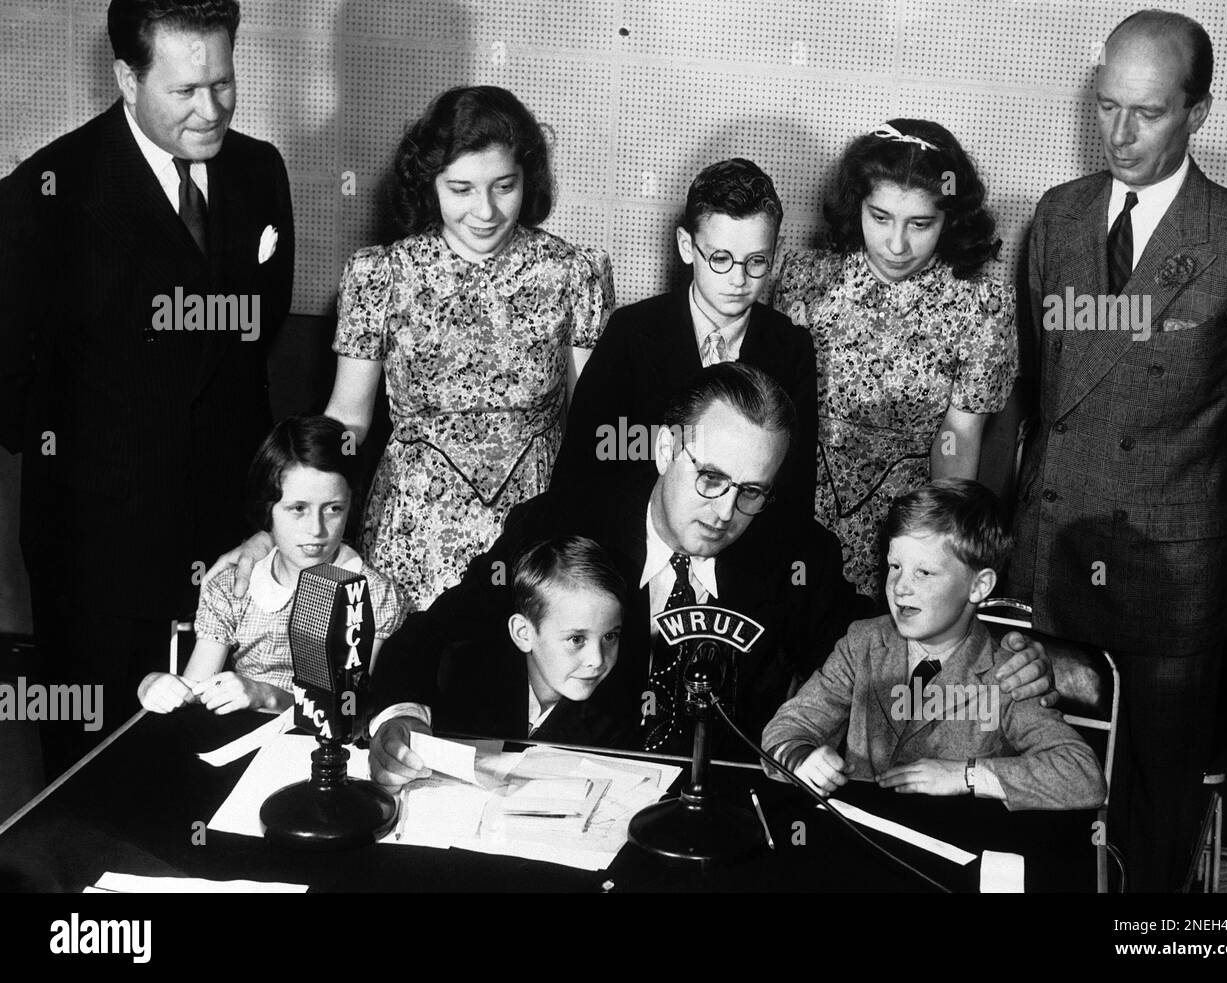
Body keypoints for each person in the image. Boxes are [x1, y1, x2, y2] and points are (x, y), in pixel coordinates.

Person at [366, 363, 1055, 785]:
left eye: (753, 490)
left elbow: (875, 647)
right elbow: (432, 634)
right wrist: (397, 716)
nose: (727, 511)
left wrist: (999, 660)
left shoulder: (793, 554)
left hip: (723, 817)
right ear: (667, 446)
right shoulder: (557, 526)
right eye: (711, 477)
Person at [1006, 10, 1227, 889]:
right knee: (1035, 785)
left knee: (1149, 811)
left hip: (1168, 582)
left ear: (1198, 113)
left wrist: (1194, 524)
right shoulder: (1057, 220)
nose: (1121, 135)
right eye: (1106, 108)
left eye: (1149, 113)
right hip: (1052, 561)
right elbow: (1040, 391)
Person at [0, 0, 294, 774]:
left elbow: (252, 348)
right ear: (126, 78)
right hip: (99, 555)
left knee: (229, 767)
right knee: (103, 774)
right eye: (185, 91)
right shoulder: (44, 196)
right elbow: (7, 387)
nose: (211, 110)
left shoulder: (261, 172)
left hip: (235, 539)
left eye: (224, 84)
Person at [319, 85, 614, 610]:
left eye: (505, 186)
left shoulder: (573, 273)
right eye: (461, 189)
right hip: (413, 532)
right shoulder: (381, 274)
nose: (485, 211)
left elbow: (589, 419)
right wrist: (308, 494)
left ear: (529, 179)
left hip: (533, 533)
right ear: (429, 185)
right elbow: (349, 418)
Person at [772, 120, 1016, 598]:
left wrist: (934, 554)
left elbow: (958, 437)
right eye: (879, 217)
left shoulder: (981, 307)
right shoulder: (802, 278)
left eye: (920, 224)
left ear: (951, 220)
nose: (896, 244)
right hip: (791, 514)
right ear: (856, 205)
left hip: (902, 533)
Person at [763, 480, 1106, 812]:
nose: (900, 587)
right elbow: (787, 727)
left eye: (924, 573)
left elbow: (1083, 776)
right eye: (894, 566)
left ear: (979, 585)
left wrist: (966, 775)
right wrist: (799, 756)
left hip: (953, 853)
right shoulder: (863, 643)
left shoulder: (1007, 672)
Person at [551, 158, 817, 517]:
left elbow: (794, 485)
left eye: (756, 261)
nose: (738, 280)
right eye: (721, 258)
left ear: (777, 251)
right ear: (686, 246)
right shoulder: (631, 331)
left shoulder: (791, 348)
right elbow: (589, 457)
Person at [137, 416, 406, 716]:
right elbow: (195, 690)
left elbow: (349, 710)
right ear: (268, 510)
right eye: (298, 509)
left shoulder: (374, 593)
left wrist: (268, 696)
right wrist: (153, 684)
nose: (317, 530)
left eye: (333, 509)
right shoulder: (232, 588)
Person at [369, 535, 628, 789]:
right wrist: (402, 719)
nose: (597, 659)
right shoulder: (463, 672)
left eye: (610, 636)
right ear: (523, 634)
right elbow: (413, 644)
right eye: (576, 639)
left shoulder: (616, 719)